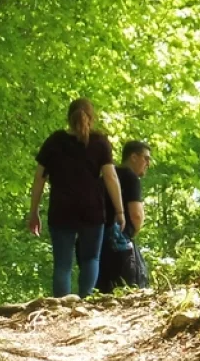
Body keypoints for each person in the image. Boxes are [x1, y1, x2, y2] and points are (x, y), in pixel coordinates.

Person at [27, 98, 126, 298]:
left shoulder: (54, 141)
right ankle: (86, 301)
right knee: (91, 259)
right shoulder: (100, 142)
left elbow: (39, 177)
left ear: (68, 118)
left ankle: (61, 306)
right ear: (92, 117)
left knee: (63, 263)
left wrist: (34, 211)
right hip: (92, 208)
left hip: (61, 208)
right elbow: (110, 176)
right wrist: (120, 210)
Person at [97, 140, 151, 292]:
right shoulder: (130, 177)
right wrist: (130, 233)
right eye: (146, 158)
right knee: (124, 291)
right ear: (133, 157)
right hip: (119, 244)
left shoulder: (105, 178)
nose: (148, 163)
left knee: (101, 291)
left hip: (95, 242)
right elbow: (136, 215)